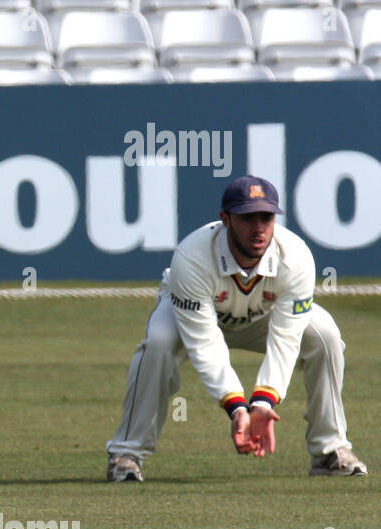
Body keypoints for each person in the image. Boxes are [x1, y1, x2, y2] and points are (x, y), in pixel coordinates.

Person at [106, 175, 367, 481]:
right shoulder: (192, 257)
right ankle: (127, 453)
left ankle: (329, 452)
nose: (258, 228)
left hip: (261, 317)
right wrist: (237, 407)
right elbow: (204, 342)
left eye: (266, 218)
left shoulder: (295, 258)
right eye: (247, 218)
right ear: (225, 220)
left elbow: (286, 339)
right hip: (197, 317)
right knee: (160, 342)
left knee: (325, 336)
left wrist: (262, 402)